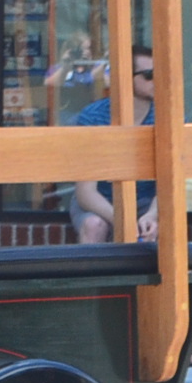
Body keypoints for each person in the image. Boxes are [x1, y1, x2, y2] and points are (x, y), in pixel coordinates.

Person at [71, 44, 159, 245]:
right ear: (126, 77)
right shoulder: (92, 117)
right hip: (100, 200)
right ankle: (91, 278)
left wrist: (153, 215)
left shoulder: (166, 117)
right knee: (94, 225)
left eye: (159, 73)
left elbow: (169, 185)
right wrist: (124, 221)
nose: (156, 80)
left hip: (147, 201)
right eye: (149, 75)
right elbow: (86, 193)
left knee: (165, 225)